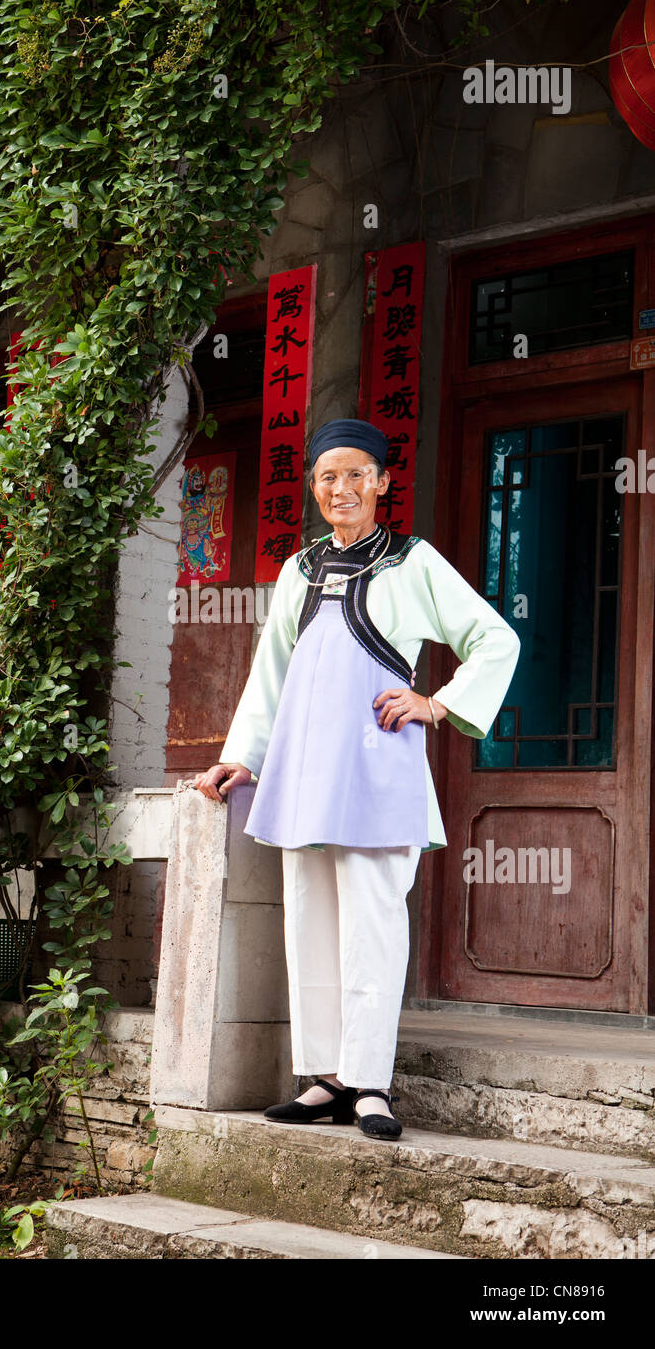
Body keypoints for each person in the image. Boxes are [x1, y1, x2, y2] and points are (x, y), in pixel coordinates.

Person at [193, 417, 520, 1140]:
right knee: (310, 918)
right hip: (304, 773)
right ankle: (330, 1078)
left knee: (373, 921)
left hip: (375, 770)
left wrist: (435, 703)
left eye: (354, 475)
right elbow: (270, 671)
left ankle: (372, 1082)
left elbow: (496, 637)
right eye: (326, 477)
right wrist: (243, 754)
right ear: (314, 488)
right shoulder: (298, 569)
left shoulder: (414, 562)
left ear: (382, 482)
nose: (340, 488)